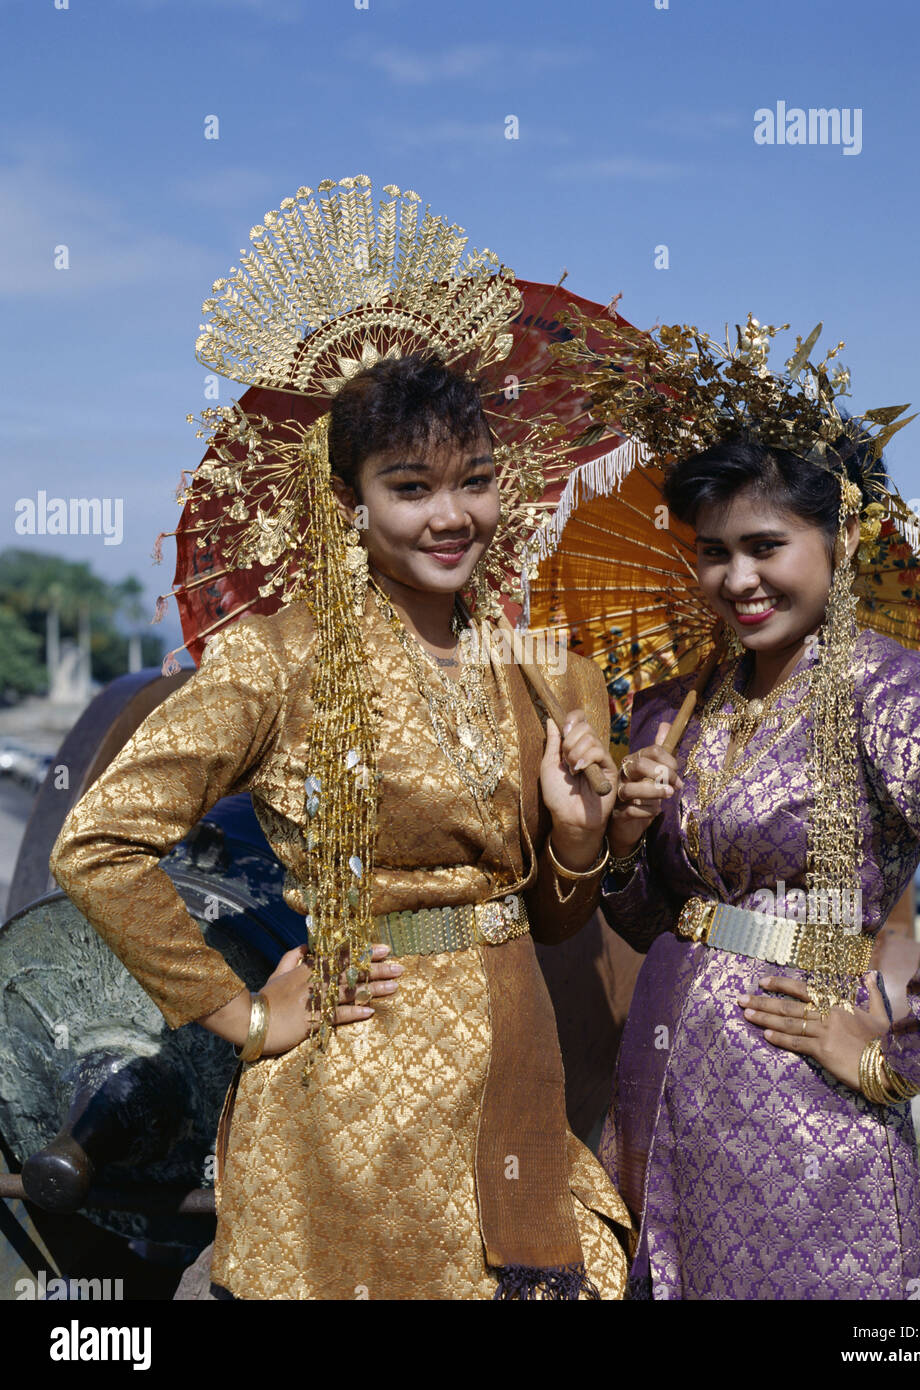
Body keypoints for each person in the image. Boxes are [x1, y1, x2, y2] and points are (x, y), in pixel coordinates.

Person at [49, 179, 632, 1299]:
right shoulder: (282, 658)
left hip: (515, 1063)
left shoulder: (543, 663)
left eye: (474, 481)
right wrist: (241, 1011)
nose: (450, 515)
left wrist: (577, 830)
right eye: (410, 486)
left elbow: (559, 921)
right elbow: (100, 843)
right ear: (352, 501)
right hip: (359, 1093)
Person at [595, 389, 920, 1299]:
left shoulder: (888, 692)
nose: (737, 580)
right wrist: (626, 839)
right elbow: (648, 922)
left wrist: (896, 1055)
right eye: (714, 553)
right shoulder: (675, 707)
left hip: (801, 1092)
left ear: (840, 545)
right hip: (665, 1075)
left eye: (765, 546)